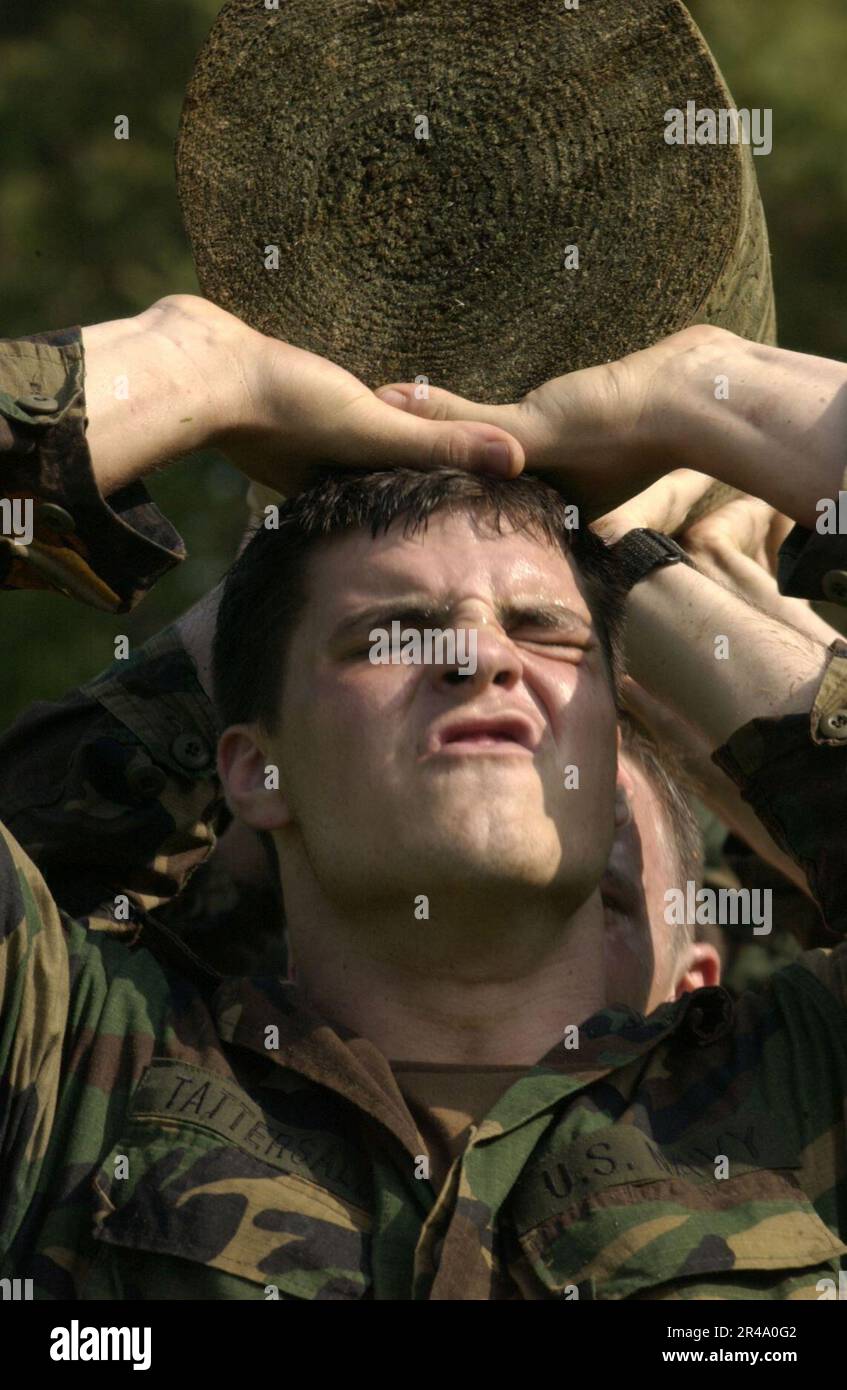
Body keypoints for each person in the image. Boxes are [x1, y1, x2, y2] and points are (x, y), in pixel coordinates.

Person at [3, 297, 847, 1300]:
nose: (481, 657)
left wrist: (703, 393)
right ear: (250, 768)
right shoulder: (71, 1074)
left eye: (545, 633)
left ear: (617, 744)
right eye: (393, 634)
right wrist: (201, 362)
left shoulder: (802, 1087)